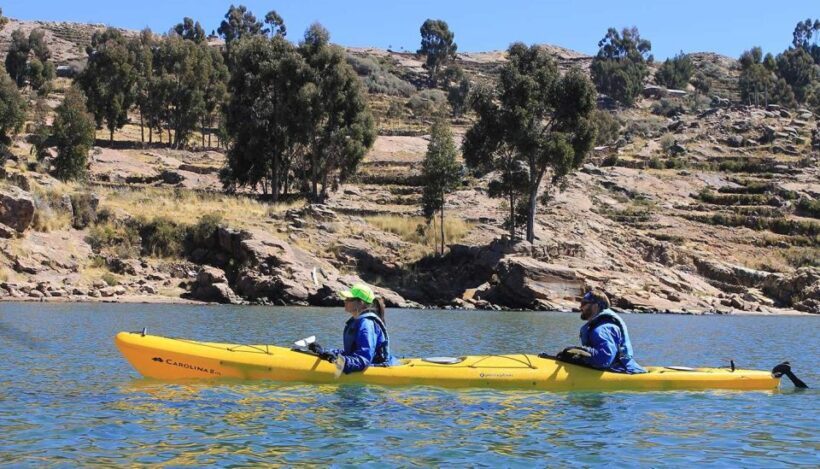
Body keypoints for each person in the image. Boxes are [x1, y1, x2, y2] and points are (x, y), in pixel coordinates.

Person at [308, 283, 398, 374]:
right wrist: (324, 351)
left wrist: (338, 361)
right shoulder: (356, 321)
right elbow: (351, 352)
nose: (345, 301)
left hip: (377, 367)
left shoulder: (366, 324)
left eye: (349, 299)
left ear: (361, 303)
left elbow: (364, 360)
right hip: (364, 362)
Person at [557, 290, 646, 374]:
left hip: (623, 371)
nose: (581, 307)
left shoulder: (603, 329)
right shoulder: (597, 326)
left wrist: (580, 352)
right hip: (612, 369)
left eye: (584, 303)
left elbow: (604, 360)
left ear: (595, 306)